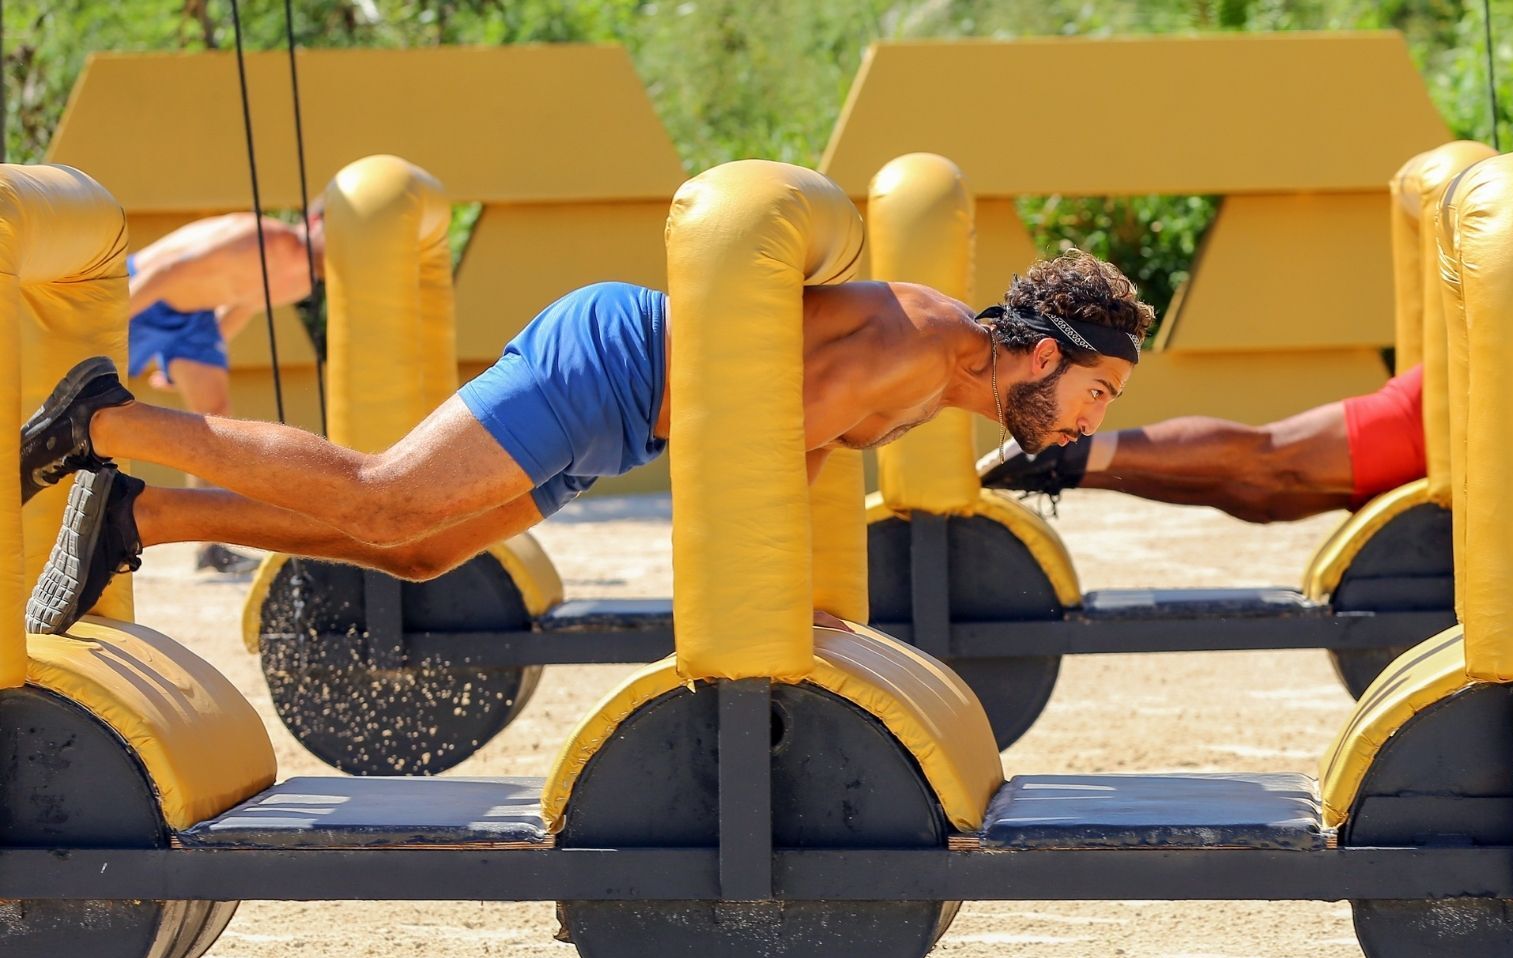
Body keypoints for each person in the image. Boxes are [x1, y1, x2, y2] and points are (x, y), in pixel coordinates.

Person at [21, 251, 1153, 635]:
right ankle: (104, 418)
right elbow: (748, 461)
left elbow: (791, 452)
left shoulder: (944, 387)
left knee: (422, 555)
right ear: (1044, 358)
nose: (1096, 421)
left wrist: (792, 602)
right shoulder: (917, 344)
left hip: (631, 421)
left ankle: (142, 514)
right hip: (614, 362)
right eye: (1098, 393)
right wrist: (744, 602)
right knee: (386, 499)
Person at [979, 316, 1513, 524]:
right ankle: (1059, 460)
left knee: (1265, 496)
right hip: (1436, 418)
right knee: (1267, 455)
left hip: (1449, 444)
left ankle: (1075, 470)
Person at [126, 208, 326, 574]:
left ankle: (208, 544)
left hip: (194, 321)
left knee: (214, 413)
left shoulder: (304, 280)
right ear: (315, 222)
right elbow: (166, 270)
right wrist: (106, 321)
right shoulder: (268, 239)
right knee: (73, 388)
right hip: (142, 293)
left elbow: (243, 304)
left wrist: (194, 357)